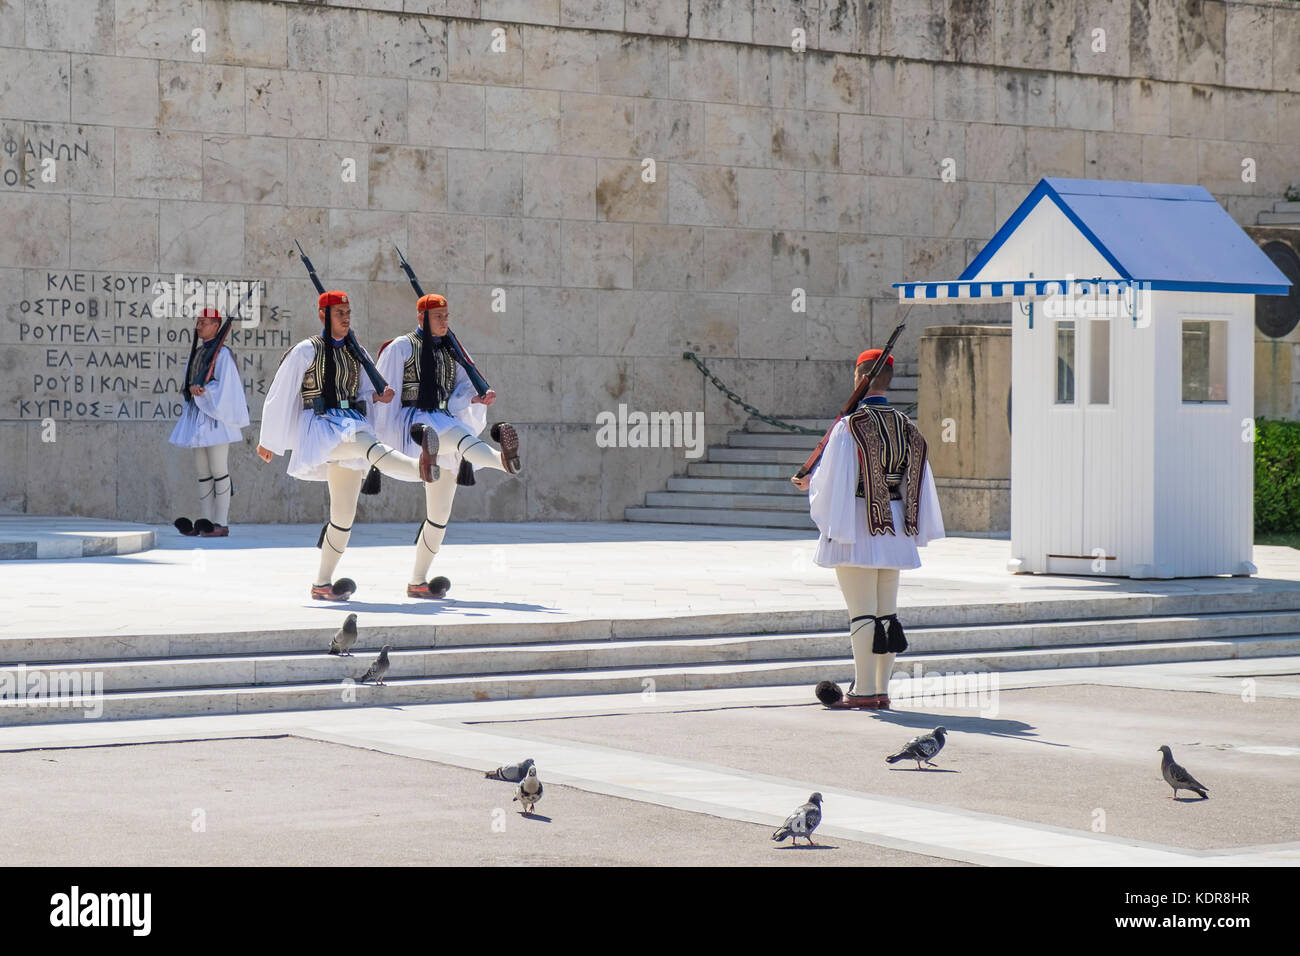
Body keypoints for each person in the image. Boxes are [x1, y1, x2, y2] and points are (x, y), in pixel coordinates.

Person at [256, 290, 439, 601]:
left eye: (348, 312)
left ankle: (322, 583)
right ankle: (418, 467)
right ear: (322, 316)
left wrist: (378, 396)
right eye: (339, 312)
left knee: (343, 515)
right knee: (365, 442)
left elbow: (367, 389)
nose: (345, 317)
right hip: (321, 427)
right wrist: (269, 440)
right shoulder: (306, 351)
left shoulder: (357, 351)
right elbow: (281, 393)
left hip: (350, 419)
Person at [793, 348, 945, 709]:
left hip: (858, 525)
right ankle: (881, 690)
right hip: (895, 525)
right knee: (886, 614)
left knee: (862, 611)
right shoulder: (907, 424)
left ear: (858, 378)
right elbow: (918, 480)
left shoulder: (851, 425)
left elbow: (834, 480)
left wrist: (809, 482)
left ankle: (863, 691)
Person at [371, 292, 521, 598]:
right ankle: (500, 460)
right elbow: (385, 394)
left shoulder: (453, 348)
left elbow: (465, 385)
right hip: (414, 425)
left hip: (443, 420)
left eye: (447, 316)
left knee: (439, 516)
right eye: (438, 317)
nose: (444, 322)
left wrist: (476, 397)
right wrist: (377, 438)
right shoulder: (402, 347)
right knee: (455, 434)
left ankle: (417, 581)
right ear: (421, 318)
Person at [168, 306, 249, 538]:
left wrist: (204, 390)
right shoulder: (199, 353)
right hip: (198, 417)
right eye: (198, 322)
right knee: (203, 471)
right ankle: (205, 521)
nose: (199, 326)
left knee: (218, 469)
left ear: (216, 325)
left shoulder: (222, 354)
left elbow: (227, 387)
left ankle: (220, 522)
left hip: (216, 418)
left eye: (204, 322)